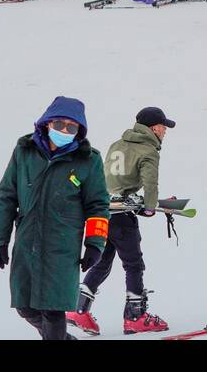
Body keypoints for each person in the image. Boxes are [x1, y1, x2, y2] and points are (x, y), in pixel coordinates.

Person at [0, 96, 110, 340]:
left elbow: (98, 206)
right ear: (46, 123)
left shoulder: (88, 160)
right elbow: (7, 196)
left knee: (54, 310)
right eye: (59, 124)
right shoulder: (24, 152)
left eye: (71, 127)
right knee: (25, 306)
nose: (64, 131)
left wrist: (95, 244)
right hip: (27, 244)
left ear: (79, 131)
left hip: (62, 247)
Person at [68, 106, 175, 336]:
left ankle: (78, 310)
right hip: (122, 218)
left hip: (102, 212)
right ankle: (135, 316)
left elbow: (108, 177)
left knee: (102, 262)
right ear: (154, 128)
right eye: (163, 127)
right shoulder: (148, 150)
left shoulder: (117, 144)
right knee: (134, 264)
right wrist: (148, 207)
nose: (165, 131)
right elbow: (151, 184)